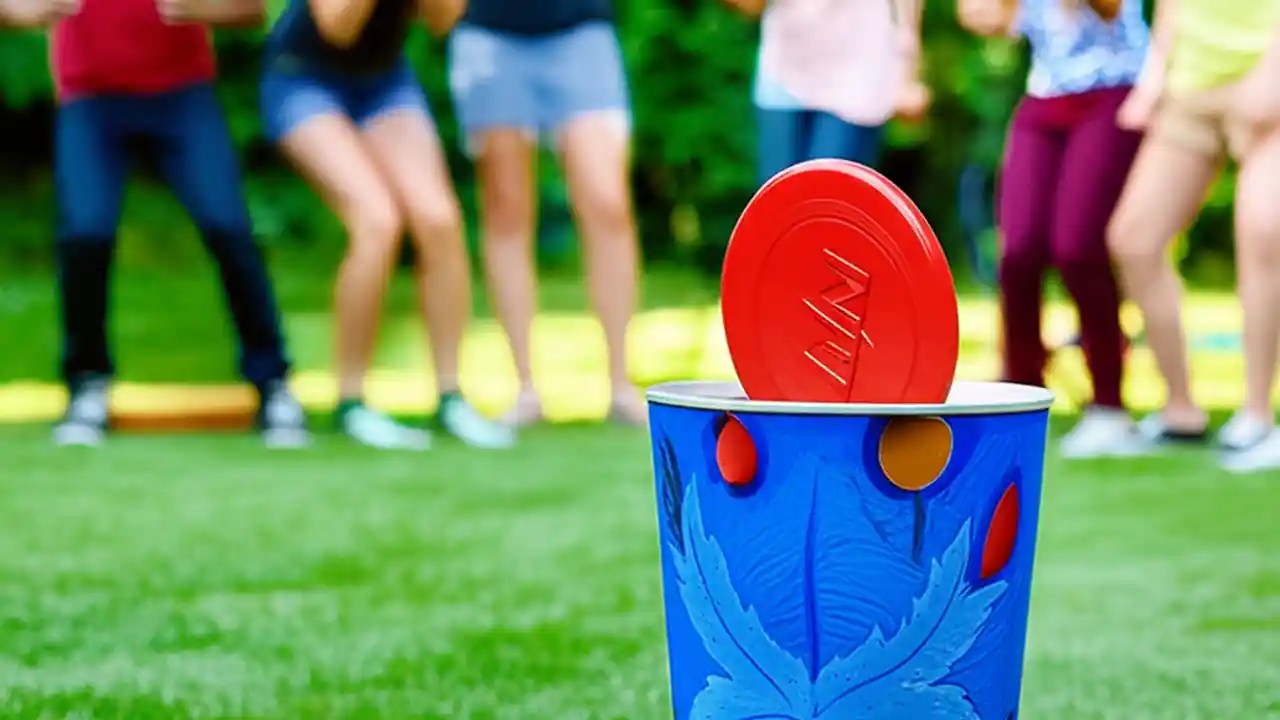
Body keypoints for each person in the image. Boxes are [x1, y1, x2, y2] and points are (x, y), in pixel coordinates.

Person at [1, 0, 309, 448]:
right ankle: (87, 383)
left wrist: (202, 8)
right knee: (85, 234)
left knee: (229, 228)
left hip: (182, 98)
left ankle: (273, 383)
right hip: (91, 101)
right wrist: (23, 12)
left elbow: (252, 11)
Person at [260, 0, 514, 449]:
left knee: (439, 220)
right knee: (376, 221)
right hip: (302, 77)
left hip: (383, 81)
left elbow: (443, 22)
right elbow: (338, 26)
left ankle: (451, 398)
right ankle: (351, 402)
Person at [958, 0, 1150, 458]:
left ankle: (1109, 407)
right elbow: (986, 19)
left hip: (1112, 92)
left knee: (1078, 248)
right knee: (1018, 248)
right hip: (1045, 95)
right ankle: (1019, 394)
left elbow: (1109, 9)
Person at [447, 0, 646, 427]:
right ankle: (525, 390)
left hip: (580, 29)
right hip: (489, 32)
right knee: (505, 211)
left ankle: (621, 385)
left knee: (607, 203)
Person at [1107, 0, 1280, 471]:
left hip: (1267, 76)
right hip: (1192, 87)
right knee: (1134, 240)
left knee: (1264, 236)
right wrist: (1155, 78)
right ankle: (1180, 410)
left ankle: (1259, 417)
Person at [722, 0, 931, 186]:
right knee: (775, 208)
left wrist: (907, 72)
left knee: (828, 202)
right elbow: (749, 7)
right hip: (783, 74)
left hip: (858, 79)